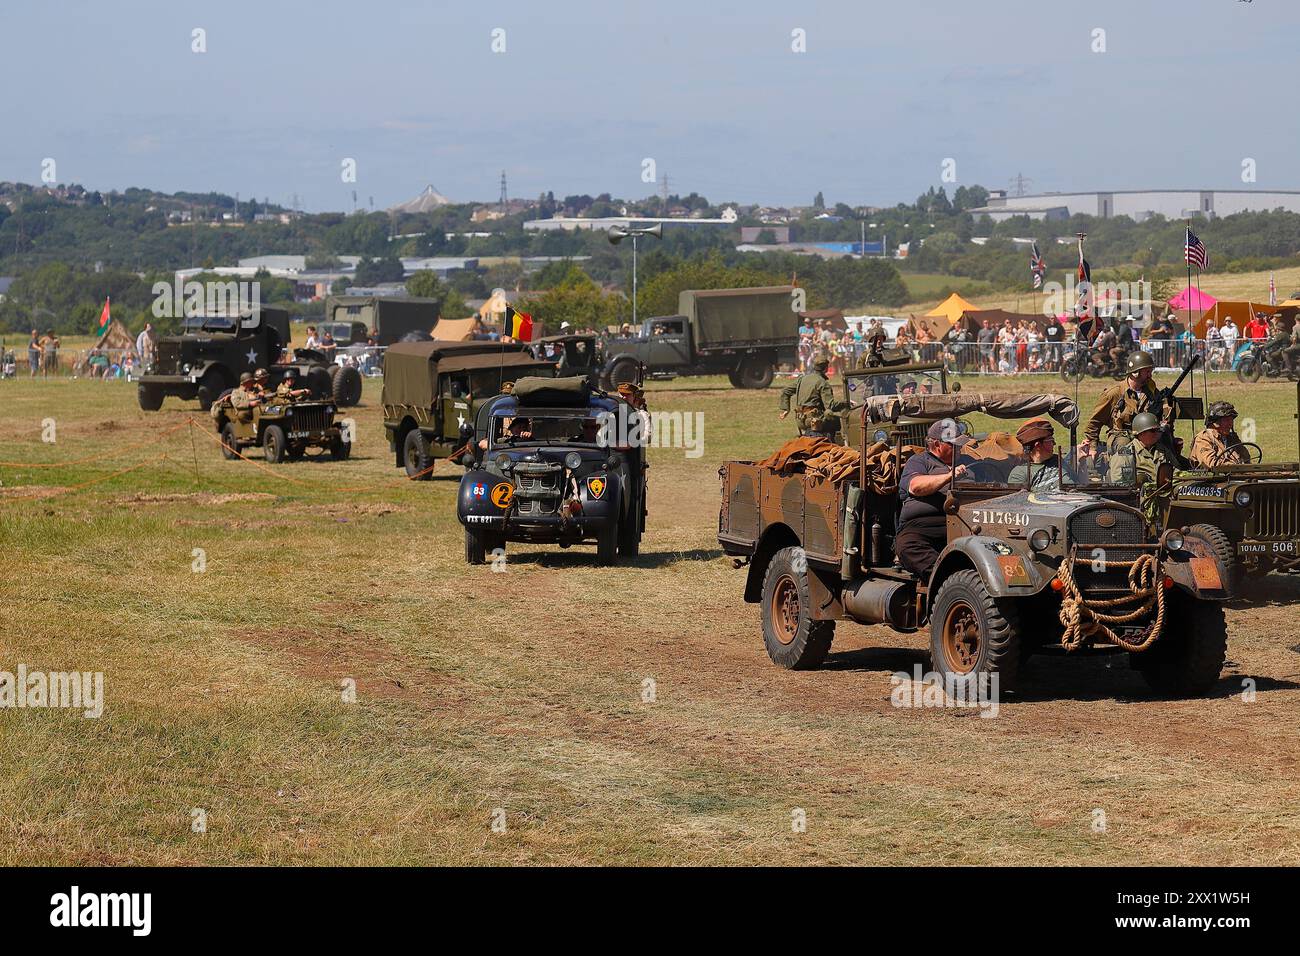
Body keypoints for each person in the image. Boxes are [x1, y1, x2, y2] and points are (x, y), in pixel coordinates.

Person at [896, 419, 970, 578]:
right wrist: (949, 476)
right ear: (937, 445)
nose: (959, 449)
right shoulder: (919, 461)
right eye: (954, 445)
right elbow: (915, 486)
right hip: (925, 526)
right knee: (907, 545)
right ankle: (946, 579)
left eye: (960, 444)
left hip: (967, 523)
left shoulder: (968, 462)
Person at [1081, 350, 1176, 459]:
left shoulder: (1152, 392)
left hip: (1146, 434)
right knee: (1126, 449)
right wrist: (1093, 447)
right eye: (1147, 372)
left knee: (1163, 446)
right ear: (1136, 372)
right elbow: (1095, 422)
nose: (1150, 375)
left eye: (1151, 371)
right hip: (1121, 436)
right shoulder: (1114, 393)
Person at [1107, 412, 1185, 526]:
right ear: (1140, 433)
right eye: (1153, 431)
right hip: (1140, 507)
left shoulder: (1162, 450)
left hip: (1164, 501)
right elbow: (1121, 488)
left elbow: (1176, 472)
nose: (1158, 434)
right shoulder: (1126, 455)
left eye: (1158, 430)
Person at [778, 355, 846, 439]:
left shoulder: (802, 379)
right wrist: (845, 403)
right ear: (826, 368)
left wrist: (786, 409)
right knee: (838, 421)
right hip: (814, 421)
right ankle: (833, 445)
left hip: (800, 421)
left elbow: (785, 391)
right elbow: (830, 406)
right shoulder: (822, 383)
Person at [1006, 419, 1076, 490]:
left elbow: (1078, 483)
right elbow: (1017, 499)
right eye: (1050, 440)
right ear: (1038, 445)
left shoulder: (1058, 461)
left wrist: (1081, 460)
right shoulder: (1019, 473)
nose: (1054, 443)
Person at [1188, 401, 1251, 468]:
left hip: (1235, 476)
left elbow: (1246, 458)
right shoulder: (1203, 438)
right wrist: (1235, 467)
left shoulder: (1231, 438)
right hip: (1213, 477)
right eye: (1226, 420)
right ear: (1215, 422)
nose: (1230, 423)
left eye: (1231, 420)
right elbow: (1211, 463)